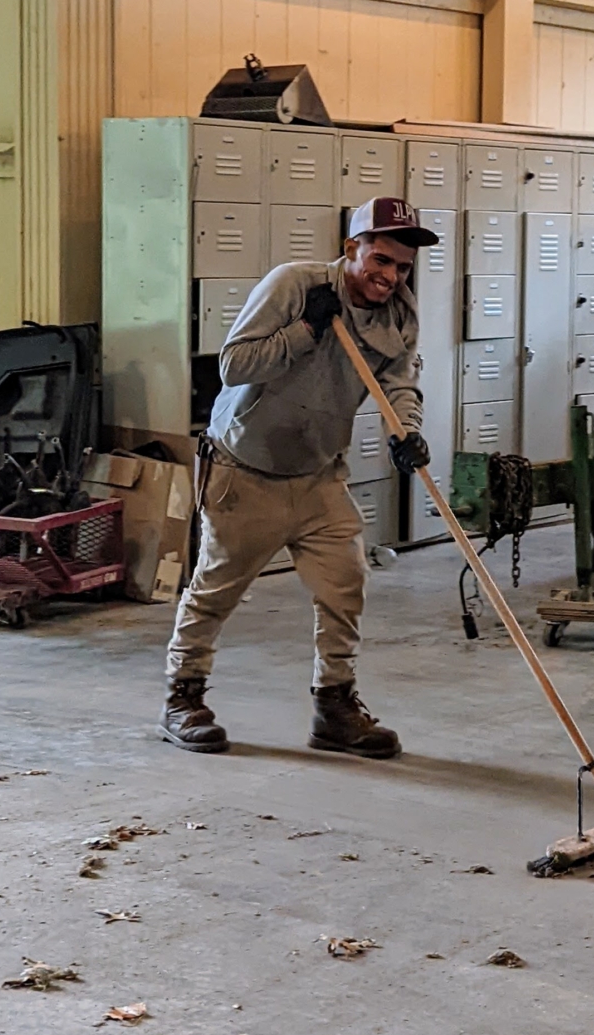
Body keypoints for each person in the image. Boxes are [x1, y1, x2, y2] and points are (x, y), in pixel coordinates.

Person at [160, 197, 438, 758]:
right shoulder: (294, 285)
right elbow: (233, 365)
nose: (389, 276)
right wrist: (306, 330)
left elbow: (401, 385)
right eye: (379, 260)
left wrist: (404, 431)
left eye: (402, 267)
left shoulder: (401, 316)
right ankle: (182, 699)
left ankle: (334, 707)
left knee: (345, 583)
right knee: (215, 589)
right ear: (351, 248)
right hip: (247, 470)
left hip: (318, 475)